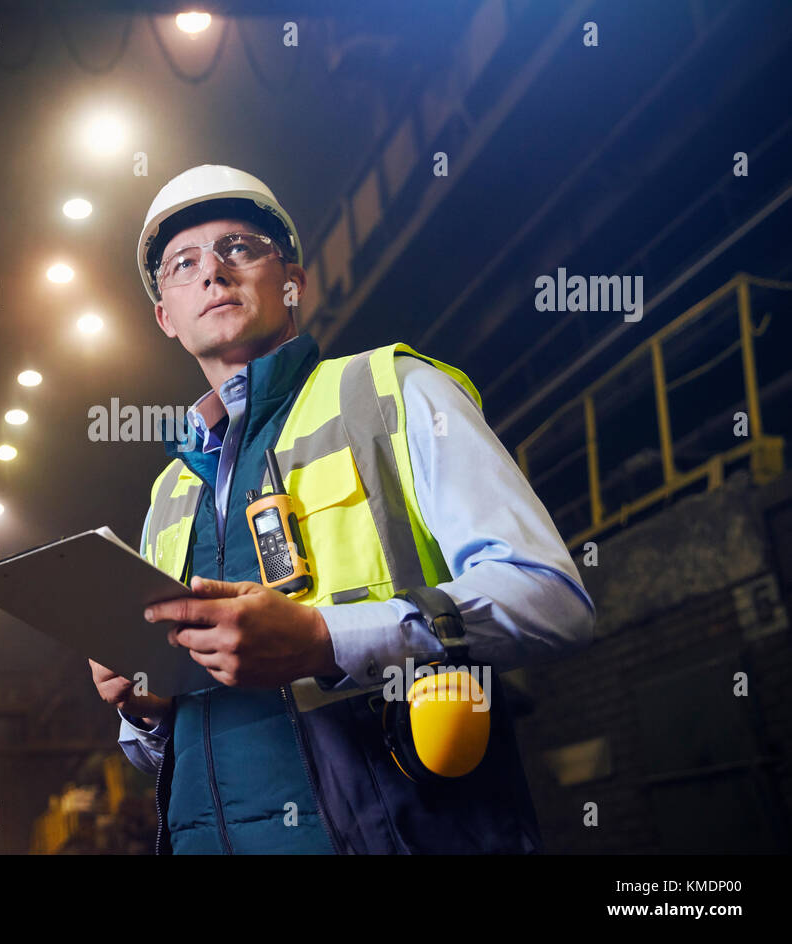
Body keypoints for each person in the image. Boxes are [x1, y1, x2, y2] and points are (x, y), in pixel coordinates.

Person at [89, 165, 595, 854]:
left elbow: (552, 601)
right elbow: (160, 757)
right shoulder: (169, 493)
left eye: (238, 246)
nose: (212, 272)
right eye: (184, 263)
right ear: (166, 319)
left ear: (292, 280)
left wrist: (326, 637)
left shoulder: (392, 392)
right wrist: (144, 714)